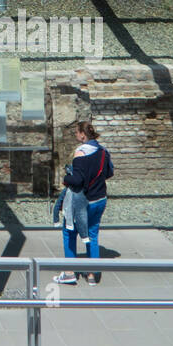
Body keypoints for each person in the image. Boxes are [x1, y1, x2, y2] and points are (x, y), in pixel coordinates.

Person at [53, 121, 114, 286]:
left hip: (82, 202)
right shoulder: (102, 151)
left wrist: (66, 177)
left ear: (83, 135)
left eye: (76, 132)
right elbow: (109, 172)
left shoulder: (80, 154)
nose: (75, 135)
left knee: (69, 233)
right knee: (92, 235)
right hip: (100, 199)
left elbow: (77, 180)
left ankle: (69, 272)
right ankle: (92, 275)